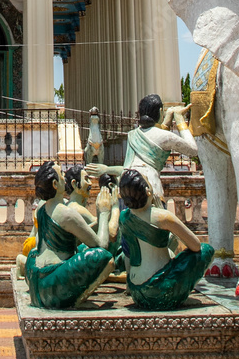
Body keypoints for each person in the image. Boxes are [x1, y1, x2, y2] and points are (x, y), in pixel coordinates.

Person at [23, 160, 115, 309]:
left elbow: (61, 241)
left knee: (34, 252)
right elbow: (101, 245)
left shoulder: (41, 208)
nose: (64, 177)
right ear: (54, 184)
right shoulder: (66, 213)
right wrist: (104, 213)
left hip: (36, 279)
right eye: (61, 174)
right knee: (102, 257)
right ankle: (75, 301)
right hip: (53, 287)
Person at [118, 168, 213, 310]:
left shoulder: (124, 217)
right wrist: (163, 216)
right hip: (158, 290)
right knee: (206, 250)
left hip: (136, 292)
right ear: (148, 191)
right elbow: (196, 246)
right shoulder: (162, 217)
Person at [85, 94, 197, 203]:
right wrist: (180, 120)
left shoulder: (133, 134)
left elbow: (127, 169)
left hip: (129, 192)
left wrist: (107, 169)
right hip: (151, 191)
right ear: (160, 112)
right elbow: (193, 150)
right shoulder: (166, 137)